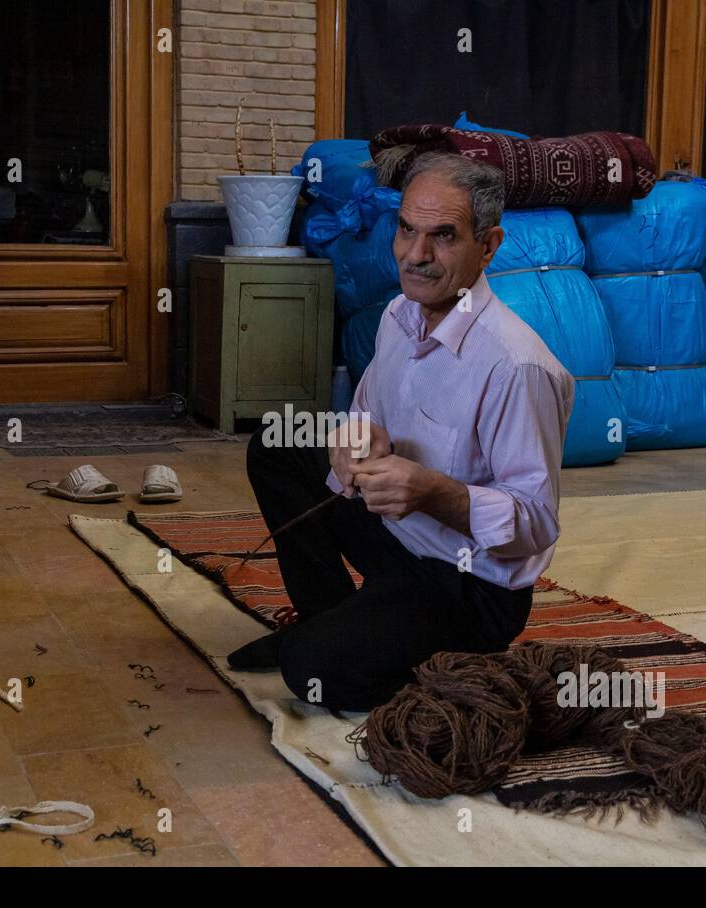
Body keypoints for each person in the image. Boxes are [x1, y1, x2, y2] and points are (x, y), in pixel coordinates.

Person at [228, 151, 575, 711]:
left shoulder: (516, 366)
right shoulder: (398, 316)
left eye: (443, 236)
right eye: (407, 230)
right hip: (397, 539)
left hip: (466, 587)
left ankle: (468, 672)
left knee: (311, 670)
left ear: (488, 245)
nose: (416, 256)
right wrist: (355, 440)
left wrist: (435, 492)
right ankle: (327, 616)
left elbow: (534, 525)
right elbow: (366, 412)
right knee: (280, 441)